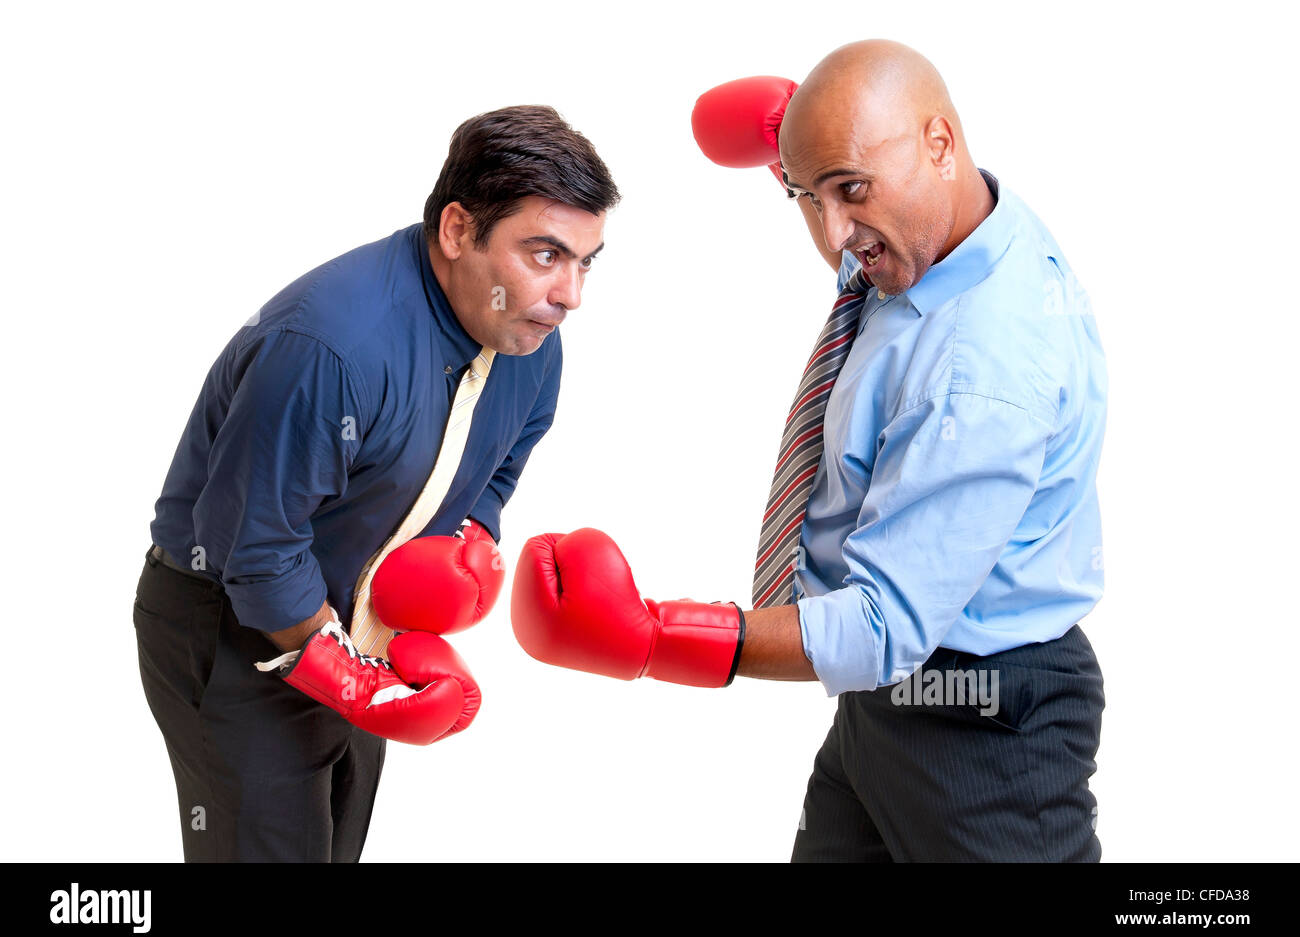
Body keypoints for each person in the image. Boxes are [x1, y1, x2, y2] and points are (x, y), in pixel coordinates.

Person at [510, 40, 1107, 862]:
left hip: (984, 721)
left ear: (940, 142)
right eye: (811, 195)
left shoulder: (982, 373)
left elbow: (877, 625)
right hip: (887, 699)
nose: (833, 233)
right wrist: (808, 155)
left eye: (849, 190)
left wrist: (655, 637)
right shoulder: (947, 234)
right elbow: (855, 247)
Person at [134, 104, 619, 862]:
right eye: (546, 253)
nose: (571, 294)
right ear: (459, 229)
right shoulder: (332, 348)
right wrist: (357, 685)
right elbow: (256, 552)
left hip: (359, 625)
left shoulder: (531, 347)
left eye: (586, 261)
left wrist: (467, 550)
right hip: (232, 621)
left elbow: (501, 463)